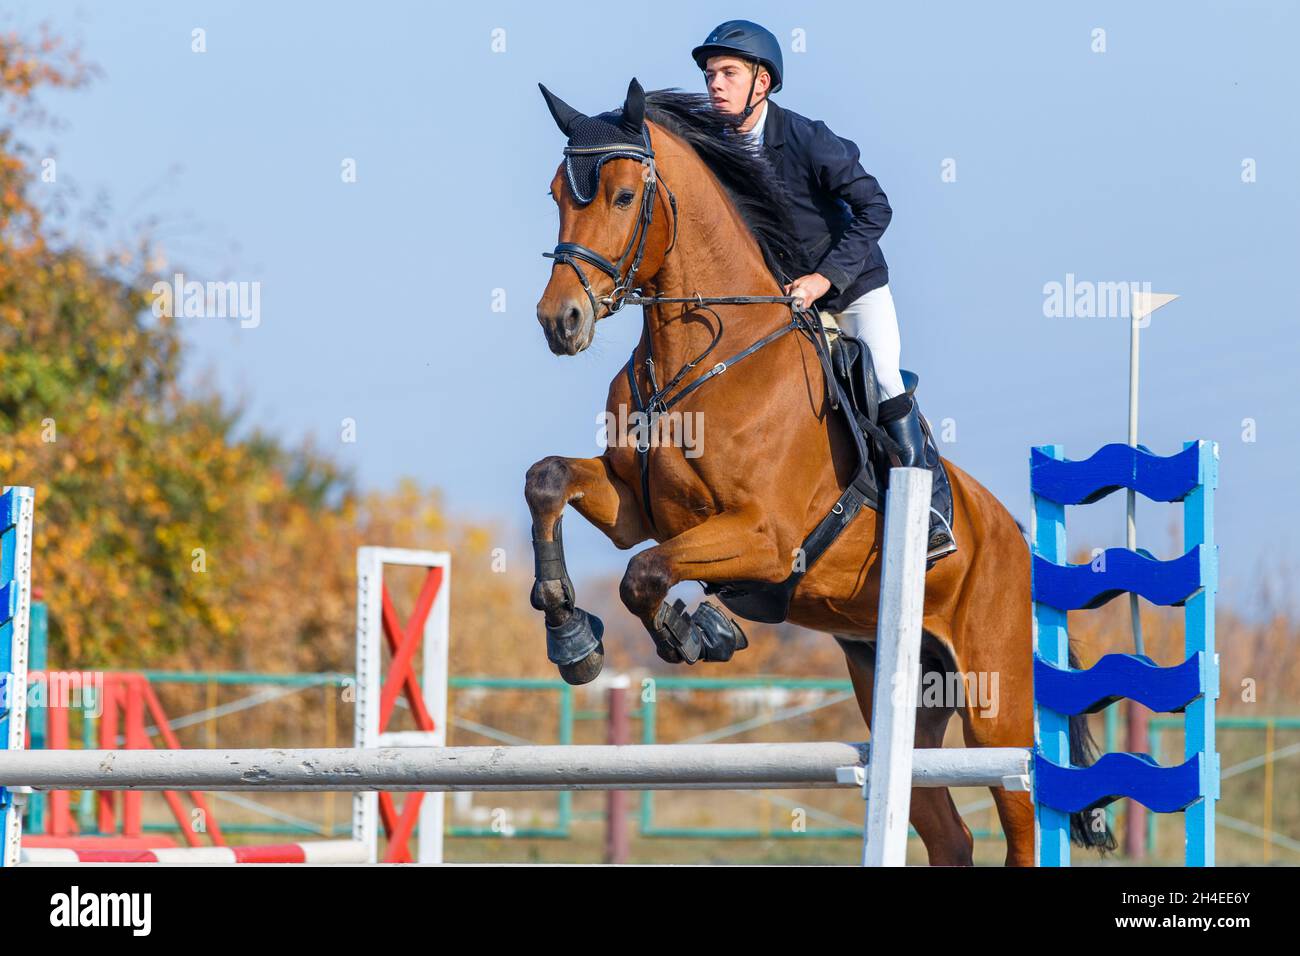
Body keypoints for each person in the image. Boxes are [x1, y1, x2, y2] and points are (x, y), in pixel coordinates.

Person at [691, 19, 956, 565]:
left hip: (853, 289)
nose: (715, 83)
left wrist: (825, 278)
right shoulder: (713, 153)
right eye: (711, 73)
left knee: (882, 381)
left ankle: (927, 512)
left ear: (761, 82)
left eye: (728, 73)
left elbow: (876, 208)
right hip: (781, 302)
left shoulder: (808, 138)